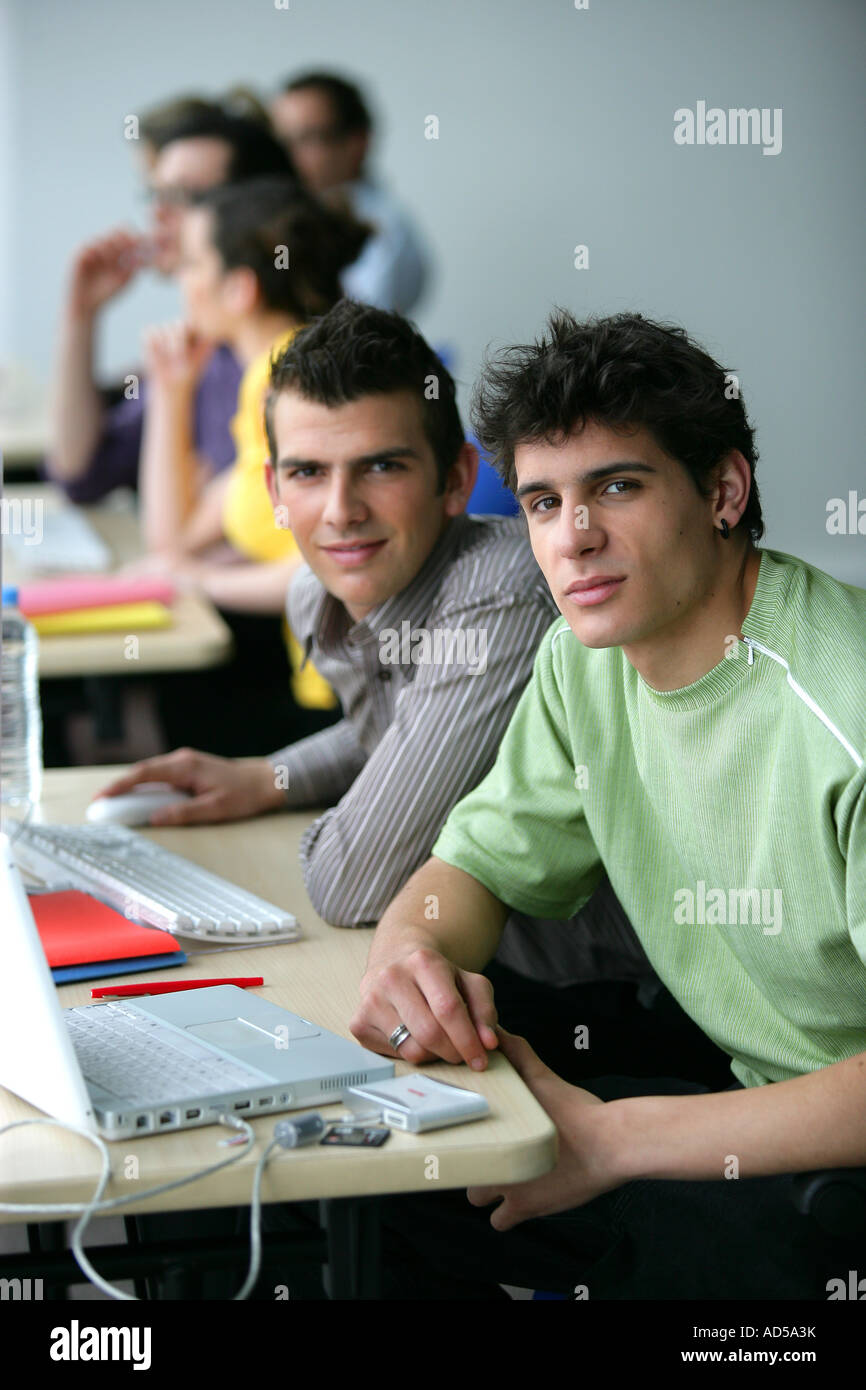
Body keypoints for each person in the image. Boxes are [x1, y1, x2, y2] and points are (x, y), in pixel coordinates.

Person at [339, 309, 866, 1300]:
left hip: (838, 1161)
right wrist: (410, 955)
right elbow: (477, 866)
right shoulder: (583, 666)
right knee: (385, 1158)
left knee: (673, 1253)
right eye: (541, 502)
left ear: (720, 490)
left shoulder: (843, 703)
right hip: (739, 1088)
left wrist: (610, 1138)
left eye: (614, 487)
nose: (573, 537)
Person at [96, 303, 731, 1083]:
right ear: (273, 491)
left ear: (457, 480)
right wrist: (272, 775)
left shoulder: (498, 596)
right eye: (307, 472)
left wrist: (337, 817)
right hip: (474, 970)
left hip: (612, 1007)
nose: (340, 511)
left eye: (383, 466)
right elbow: (398, 735)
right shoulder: (316, 596)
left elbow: (351, 878)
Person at [45, 104, 296, 504]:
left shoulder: (286, 364)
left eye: (181, 196)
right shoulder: (200, 349)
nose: (156, 213)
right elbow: (81, 472)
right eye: (155, 193)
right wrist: (81, 316)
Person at [270, 72, 430, 314]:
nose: (287, 155)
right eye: (281, 141)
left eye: (307, 138)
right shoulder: (284, 212)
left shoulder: (385, 230)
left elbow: (351, 326)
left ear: (357, 142)